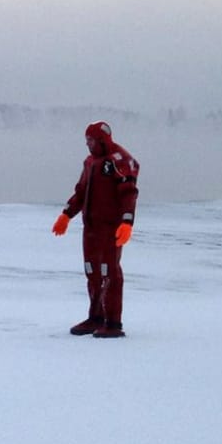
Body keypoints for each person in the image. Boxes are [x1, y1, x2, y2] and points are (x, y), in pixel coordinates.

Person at [53, 120, 140, 337]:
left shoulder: (120, 160)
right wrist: (66, 214)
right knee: (92, 271)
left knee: (109, 272)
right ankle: (96, 317)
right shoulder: (90, 162)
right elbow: (81, 192)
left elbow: (129, 193)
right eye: (86, 141)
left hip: (110, 228)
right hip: (91, 227)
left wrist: (126, 222)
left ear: (101, 140)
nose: (88, 144)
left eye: (91, 141)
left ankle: (113, 322)